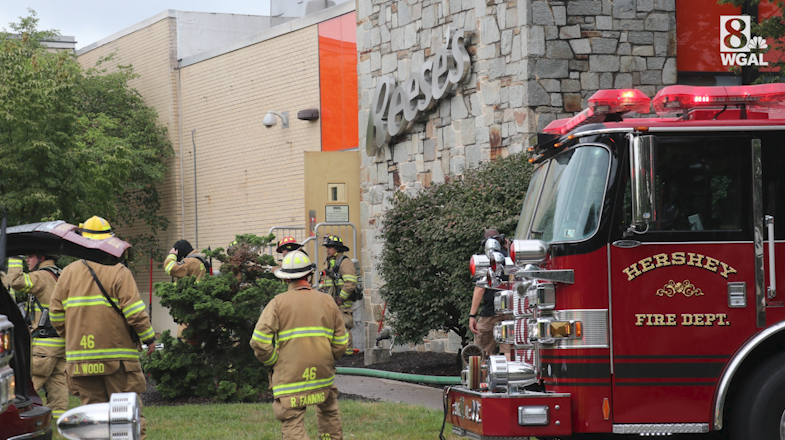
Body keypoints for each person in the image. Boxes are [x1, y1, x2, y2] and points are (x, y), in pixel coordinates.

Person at [49, 216, 156, 439]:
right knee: (126, 419)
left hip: (82, 362)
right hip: (118, 364)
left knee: (92, 422)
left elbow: (55, 315)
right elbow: (135, 313)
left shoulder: (67, 274)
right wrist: (149, 339)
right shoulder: (119, 272)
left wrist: (73, 337)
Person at [250, 250, 347, 440]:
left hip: (291, 377)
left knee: (291, 417)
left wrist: (273, 361)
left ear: (286, 279)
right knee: (329, 412)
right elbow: (342, 342)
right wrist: (328, 358)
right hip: (322, 375)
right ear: (309, 275)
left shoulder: (277, 303)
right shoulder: (327, 301)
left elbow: (259, 342)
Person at [7, 253, 68, 420]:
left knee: (28, 383)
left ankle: (15, 419)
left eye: (30, 256)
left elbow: (16, 282)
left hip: (44, 344)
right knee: (57, 384)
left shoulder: (41, 276)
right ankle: (58, 419)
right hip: (61, 342)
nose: (27, 260)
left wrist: (14, 258)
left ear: (41, 257)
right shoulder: (60, 274)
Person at [469, 228, 512, 359]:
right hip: (510, 310)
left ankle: (482, 379)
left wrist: (472, 315)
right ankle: (511, 377)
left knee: (482, 352)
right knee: (509, 349)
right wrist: (509, 248)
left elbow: (480, 289)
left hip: (491, 312)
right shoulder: (511, 260)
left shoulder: (485, 261)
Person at [319, 235, 357, 355]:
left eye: (330, 247)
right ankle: (337, 351)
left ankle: (348, 352)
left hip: (342, 300)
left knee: (344, 324)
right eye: (327, 247)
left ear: (337, 249)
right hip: (331, 300)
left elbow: (350, 282)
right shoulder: (330, 262)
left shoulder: (345, 262)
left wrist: (340, 299)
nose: (327, 250)